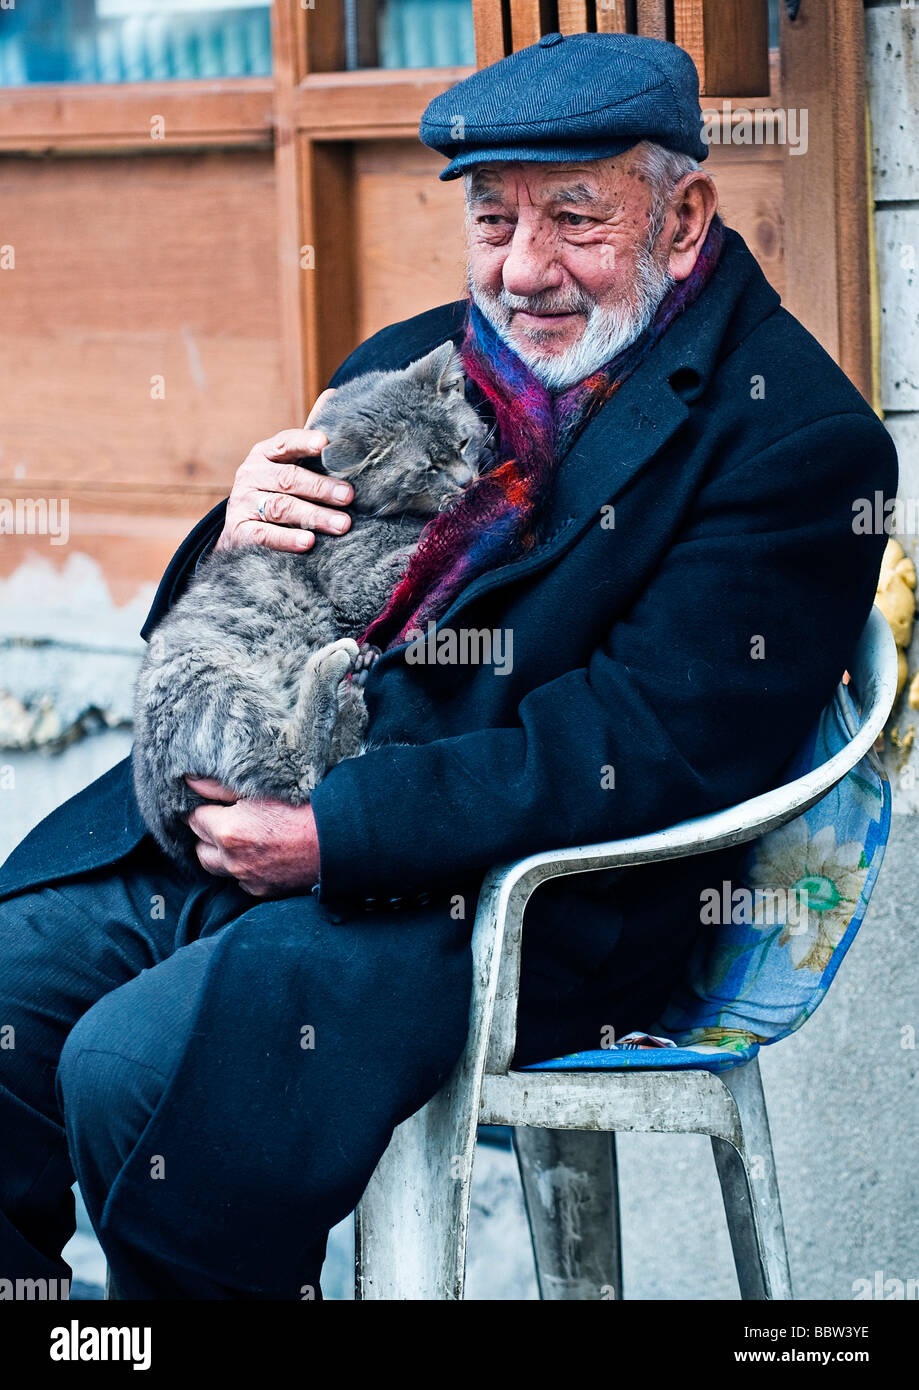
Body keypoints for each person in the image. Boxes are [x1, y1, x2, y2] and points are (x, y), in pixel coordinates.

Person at [0, 32, 897, 1299]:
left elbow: (646, 747)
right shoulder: (423, 354)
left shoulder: (794, 442)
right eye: (491, 221)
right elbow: (244, 603)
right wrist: (235, 519)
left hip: (501, 895)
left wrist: (337, 833)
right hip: (262, 832)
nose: (523, 269)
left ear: (685, 214)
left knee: (134, 1066)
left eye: (575, 218)